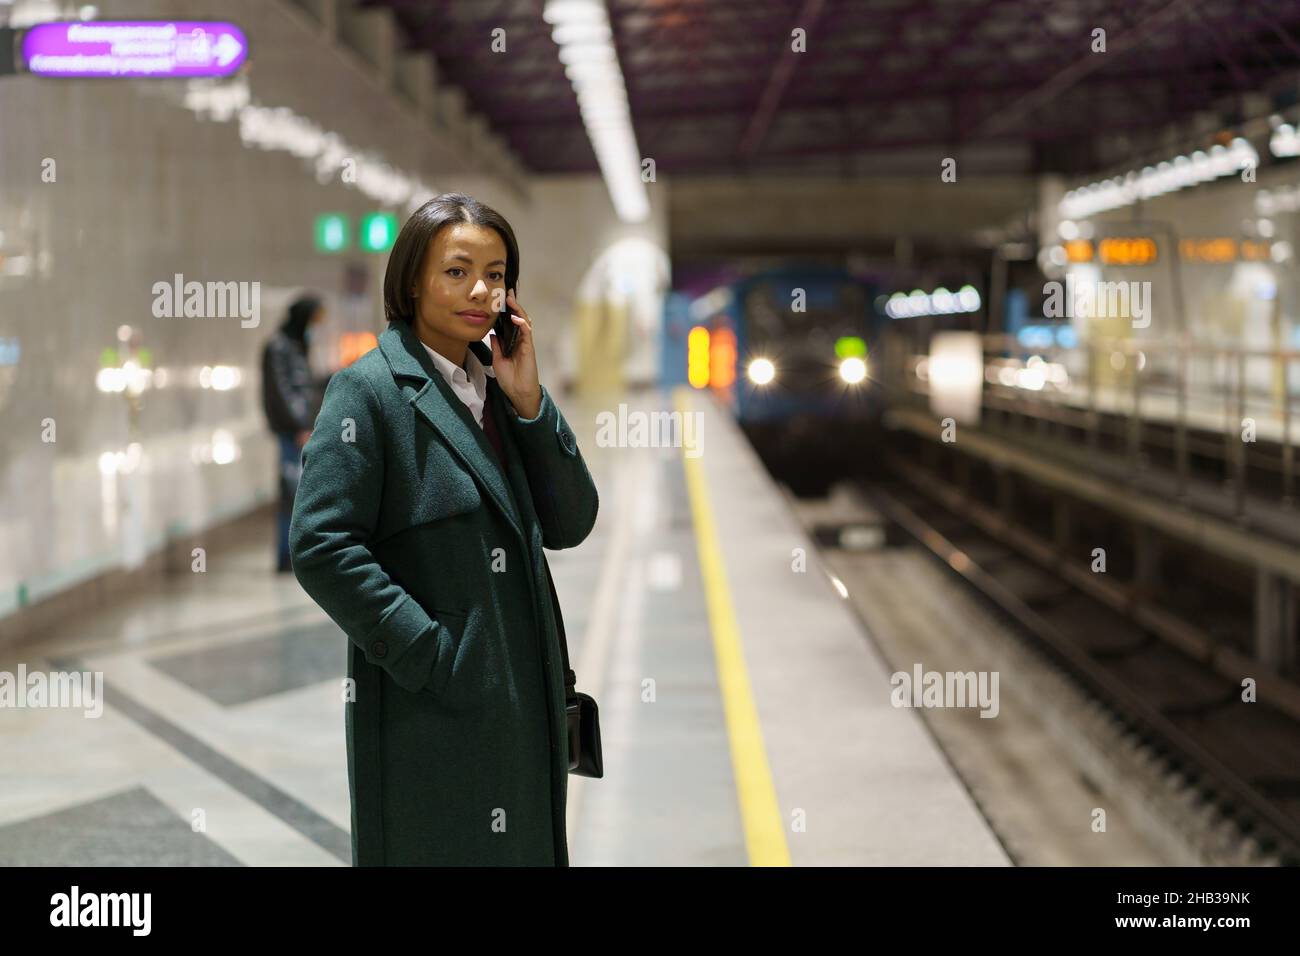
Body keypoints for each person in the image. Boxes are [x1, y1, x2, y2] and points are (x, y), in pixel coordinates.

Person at [289, 193, 599, 866]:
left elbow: (571, 522)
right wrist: (431, 657)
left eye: (496, 273)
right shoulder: (369, 393)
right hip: (430, 720)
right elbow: (320, 545)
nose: (481, 290)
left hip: (521, 711)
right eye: (457, 271)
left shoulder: (495, 391)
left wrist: (529, 402)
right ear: (411, 282)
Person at [261, 294, 325, 573]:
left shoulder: (297, 344)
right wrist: (299, 425)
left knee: (299, 491)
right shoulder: (278, 347)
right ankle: (286, 557)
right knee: (292, 491)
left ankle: (295, 555)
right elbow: (282, 391)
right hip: (293, 432)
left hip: (302, 430)